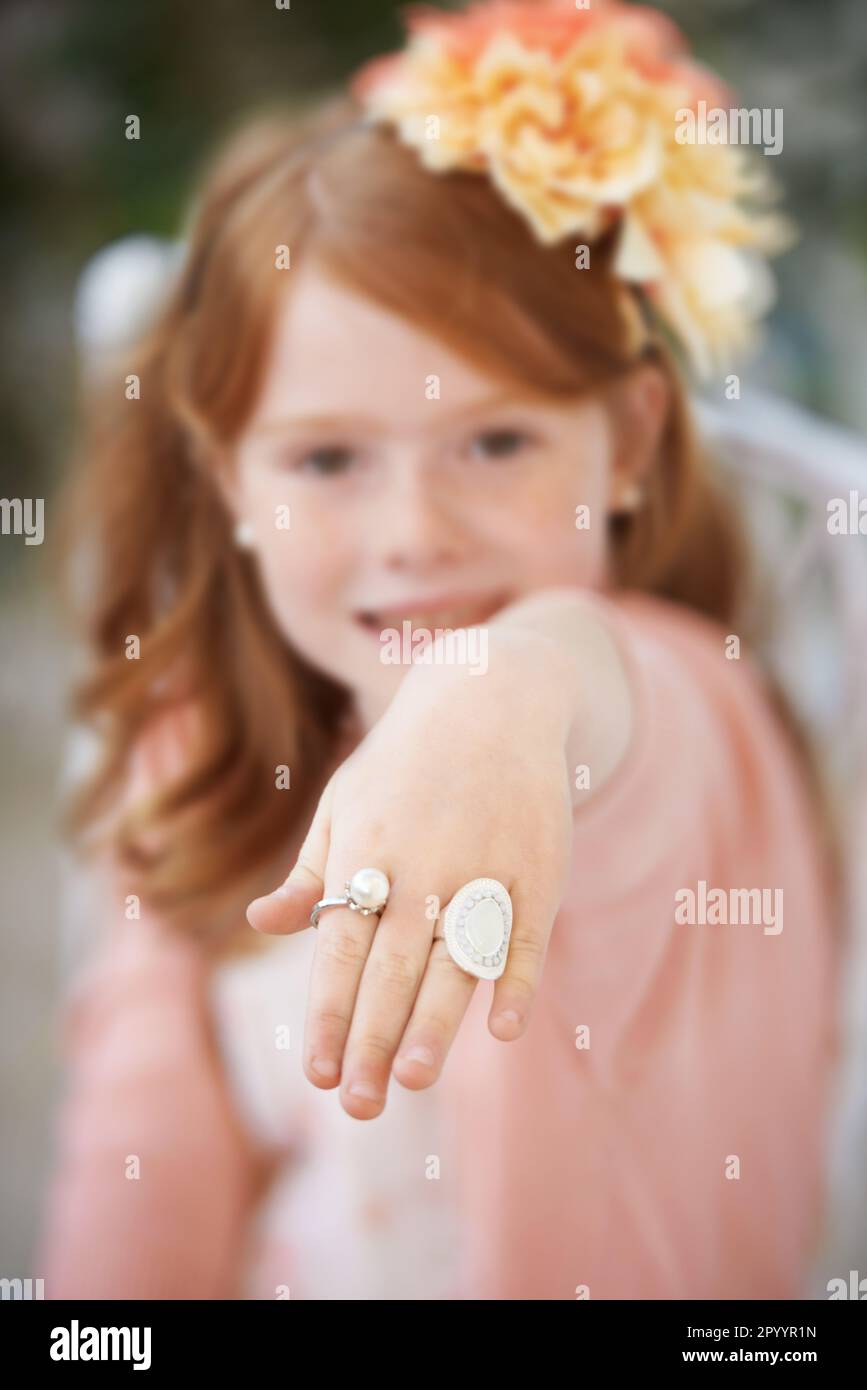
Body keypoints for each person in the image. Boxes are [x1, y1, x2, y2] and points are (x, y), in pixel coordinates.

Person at [37, 0, 840, 1299]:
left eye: (496, 442)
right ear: (226, 477)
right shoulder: (205, 737)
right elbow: (137, 1186)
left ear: (627, 443)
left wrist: (498, 691)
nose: (413, 532)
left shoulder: (680, 703)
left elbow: (580, 688)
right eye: (328, 457)